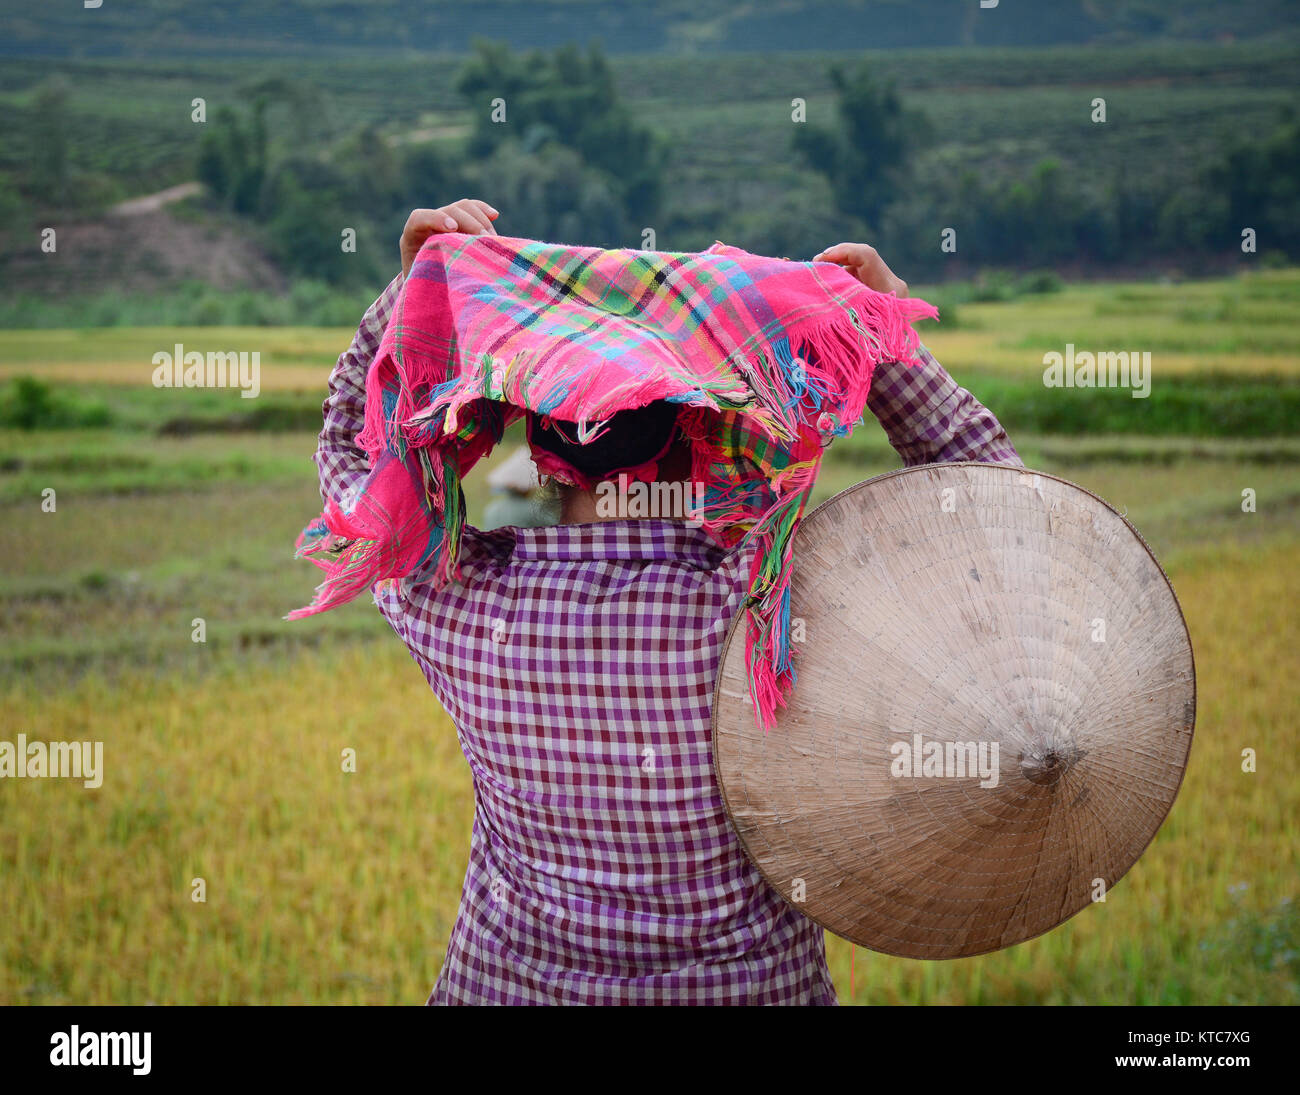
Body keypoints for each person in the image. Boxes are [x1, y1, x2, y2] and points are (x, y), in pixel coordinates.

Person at [313, 198, 1022, 1004]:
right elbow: (997, 518)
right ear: (704, 435)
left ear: (544, 457)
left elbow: (348, 447)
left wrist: (416, 288)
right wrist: (880, 331)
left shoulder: (463, 605)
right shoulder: (767, 611)